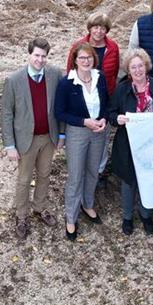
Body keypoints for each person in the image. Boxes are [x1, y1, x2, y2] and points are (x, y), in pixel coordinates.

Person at [106, 48, 153, 235]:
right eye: (133, 67)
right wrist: (118, 119)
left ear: (146, 67)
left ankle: (146, 214)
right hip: (128, 144)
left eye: (140, 66)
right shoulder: (122, 89)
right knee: (128, 181)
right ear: (128, 71)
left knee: (149, 180)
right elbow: (111, 113)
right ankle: (128, 217)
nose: (137, 70)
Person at [0, 38, 65, 240]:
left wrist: (62, 134)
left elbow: (61, 106)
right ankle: (21, 215)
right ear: (29, 55)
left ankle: (40, 207)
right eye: (36, 55)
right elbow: (6, 114)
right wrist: (10, 144)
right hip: (25, 139)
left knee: (45, 174)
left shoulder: (55, 74)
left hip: (49, 137)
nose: (40, 60)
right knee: (24, 179)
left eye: (44, 56)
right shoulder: (14, 80)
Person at [55, 42, 110, 241]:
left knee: (92, 171)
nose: (86, 61)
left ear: (93, 59)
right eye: (82, 58)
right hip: (78, 132)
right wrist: (83, 121)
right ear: (75, 61)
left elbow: (106, 103)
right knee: (76, 175)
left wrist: (104, 118)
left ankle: (87, 204)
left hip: (98, 131)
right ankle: (71, 216)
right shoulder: (66, 83)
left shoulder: (100, 78)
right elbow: (59, 112)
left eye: (89, 57)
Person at [67, 12, 121, 185]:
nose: (99, 31)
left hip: (105, 99)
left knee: (102, 136)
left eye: (103, 28)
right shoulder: (78, 46)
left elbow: (114, 73)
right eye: (95, 27)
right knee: (83, 135)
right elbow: (70, 71)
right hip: (82, 98)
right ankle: (80, 171)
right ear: (90, 28)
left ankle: (98, 172)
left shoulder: (113, 48)